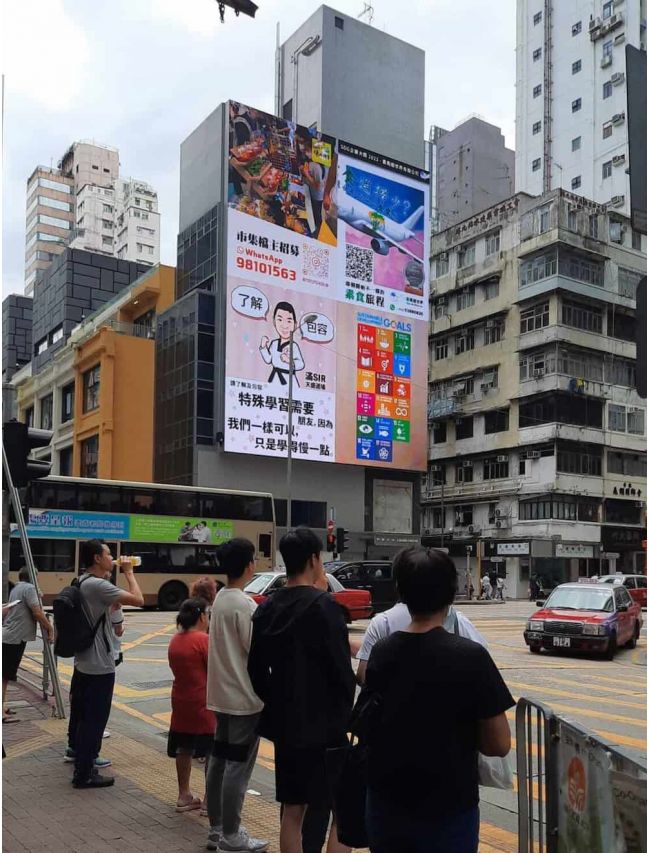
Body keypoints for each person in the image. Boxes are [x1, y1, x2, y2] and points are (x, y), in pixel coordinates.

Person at [360, 547, 515, 853]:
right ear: (452, 593)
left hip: (387, 803)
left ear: (400, 591)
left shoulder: (382, 652)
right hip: (449, 808)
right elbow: (498, 744)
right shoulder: (470, 656)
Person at [248, 526, 355, 853]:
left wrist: (277, 700)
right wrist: (343, 716)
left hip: (287, 726)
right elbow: (341, 673)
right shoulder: (326, 608)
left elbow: (255, 668)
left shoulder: (267, 607)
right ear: (314, 559)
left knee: (293, 811)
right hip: (327, 727)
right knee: (342, 811)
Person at [205, 538, 268, 853]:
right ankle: (232, 835)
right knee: (236, 767)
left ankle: (217, 829)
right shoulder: (244, 605)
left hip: (220, 696)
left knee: (219, 761)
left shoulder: (220, 599)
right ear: (248, 565)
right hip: (244, 698)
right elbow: (257, 650)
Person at [69, 540, 144, 789]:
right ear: (97, 559)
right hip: (100, 664)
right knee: (95, 720)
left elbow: (113, 617)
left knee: (83, 717)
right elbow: (139, 599)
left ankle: (82, 765)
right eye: (109, 554)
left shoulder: (80, 581)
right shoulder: (98, 585)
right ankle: (84, 773)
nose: (113, 558)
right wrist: (130, 573)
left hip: (83, 661)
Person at [355, 579, 488, 686]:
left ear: (398, 587)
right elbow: (483, 671)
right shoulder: (458, 621)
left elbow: (363, 677)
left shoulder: (381, 624)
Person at [167, 597, 214, 812]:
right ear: (202, 616)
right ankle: (209, 800)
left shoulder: (175, 640)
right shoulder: (203, 640)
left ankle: (183, 794)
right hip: (203, 702)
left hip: (180, 700)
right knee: (211, 750)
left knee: (183, 747)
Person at [3, 567, 53, 723]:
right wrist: (50, 628)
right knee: (4, 676)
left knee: (5, 675)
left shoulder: (17, 587)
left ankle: (3, 707)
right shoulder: (29, 588)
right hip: (15, 637)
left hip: (9, 635)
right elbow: (37, 612)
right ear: (34, 576)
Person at [259, 302, 305, 387]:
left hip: (289, 379)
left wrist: (289, 360)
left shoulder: (293, 346)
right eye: (280, 320)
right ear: (274, 321)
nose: (284, 325)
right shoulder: (274, 343)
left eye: (289, 321)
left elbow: (301, 364)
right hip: (274, 378)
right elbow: (268, 360)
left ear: (295, 324)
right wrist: (263, 347)